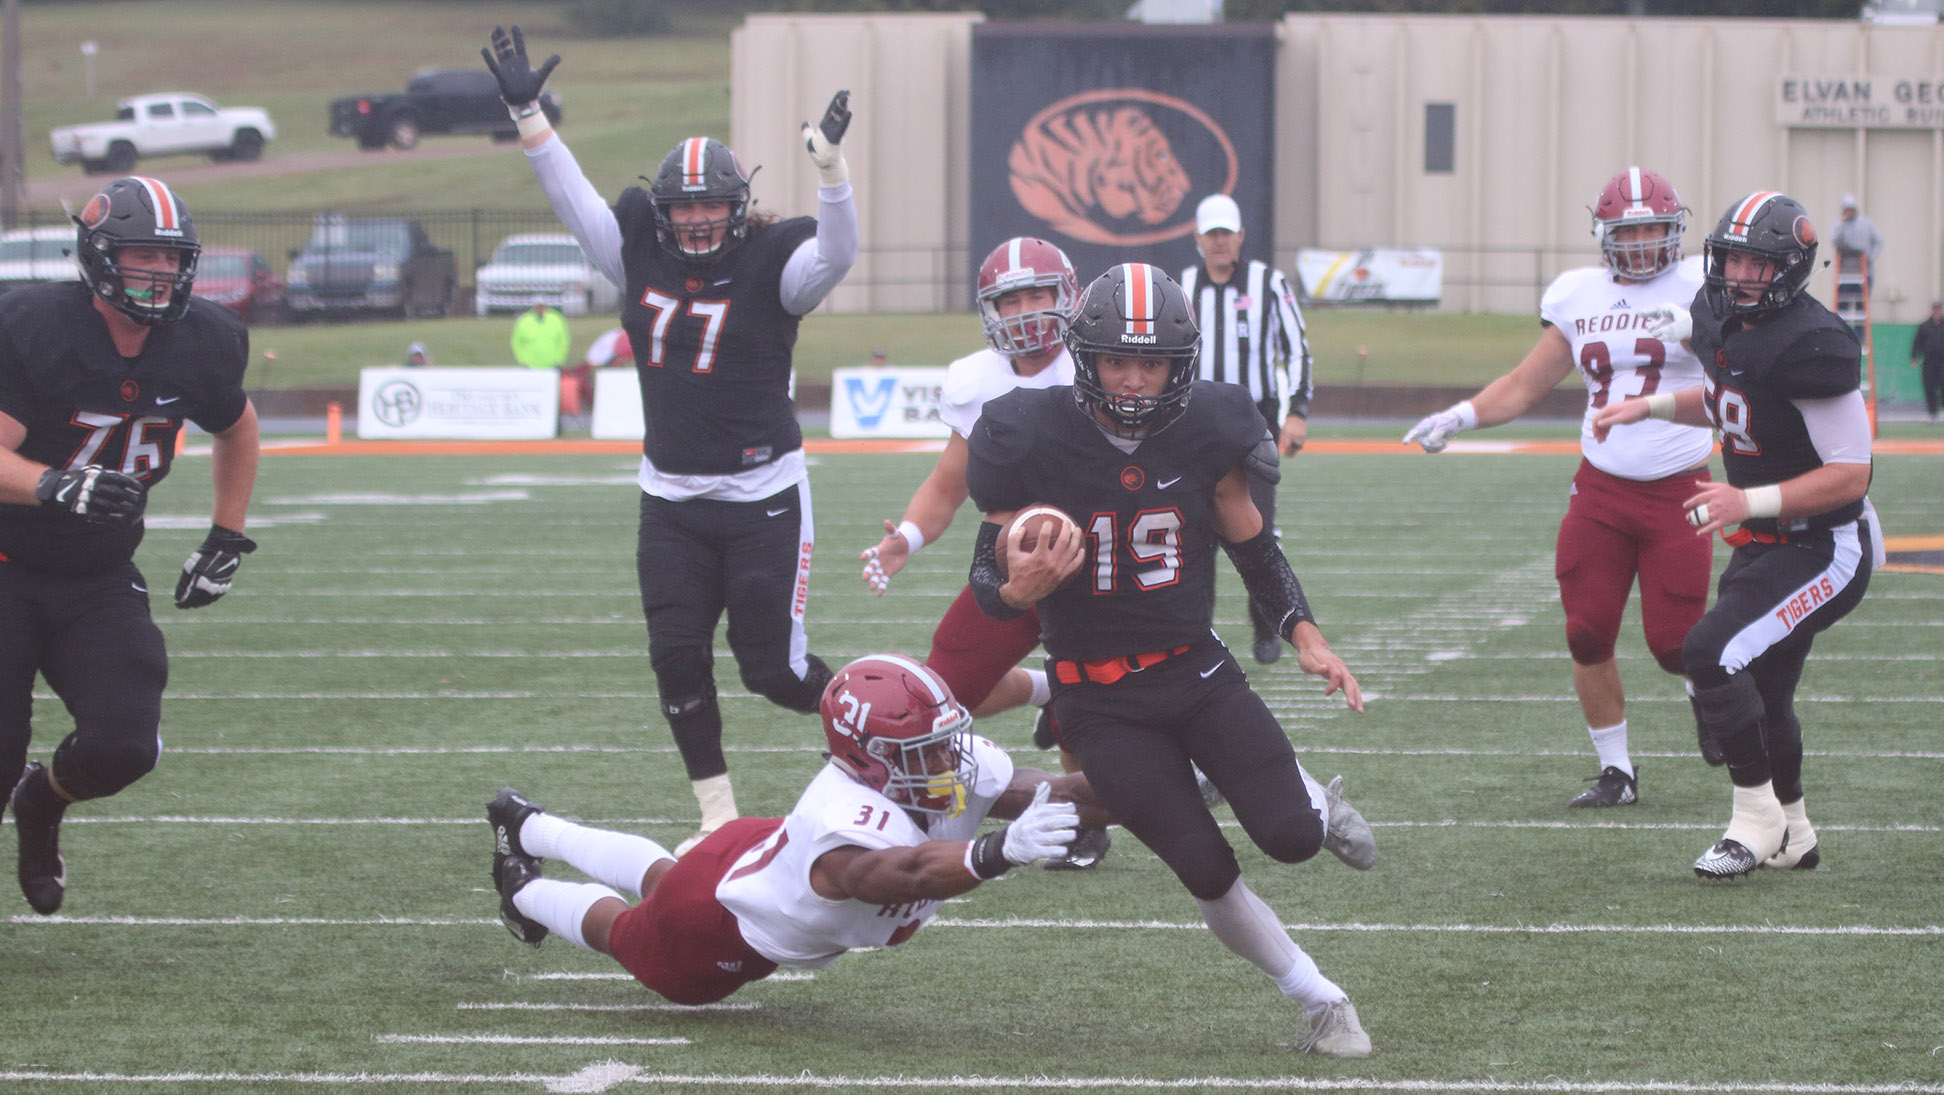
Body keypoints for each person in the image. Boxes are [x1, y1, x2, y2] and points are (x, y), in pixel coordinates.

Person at [964, 263, 1379, 1057]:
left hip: (1195, 669)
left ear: (1179, 363)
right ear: (1084, 356)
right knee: (1203, 864)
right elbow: (988, 584)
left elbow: (1254, 543)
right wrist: (1018, 591)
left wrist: (1304, 632)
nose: (1131, 378)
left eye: (1149, 362)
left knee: (1290, 837)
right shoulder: (1027, 431)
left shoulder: (1212, 422)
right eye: (1116, 359)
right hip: (1097, 699)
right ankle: (1323, 998)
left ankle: (1309, 803)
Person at [482, 26, 857, 853]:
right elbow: (571, 197)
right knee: (675, 652)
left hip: (763, 497)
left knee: (774, 672)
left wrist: (830, 168)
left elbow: (837, 255)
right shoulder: (636, 251)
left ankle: (881, 735)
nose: (693, 219)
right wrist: (528, 114)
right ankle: (717, 814)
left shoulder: (774, 262)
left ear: (736, 206)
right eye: (681, 205)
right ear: (663, 210)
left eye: (709, 205)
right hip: (672, 499)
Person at [486, 654, 1096, 1006]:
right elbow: (889, 874)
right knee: (631, 931)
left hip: (753, 853)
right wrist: (995, 852)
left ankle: (530, 824)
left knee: (665, 879)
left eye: (944, 742)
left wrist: (1173, 782)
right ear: (868, 757)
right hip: (722, 923)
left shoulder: (922, 771)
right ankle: (521, 890)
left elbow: (1057, 794)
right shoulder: (844, 819)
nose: (947, 762)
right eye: (923, 750)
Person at [1402, 167, 1716, 807]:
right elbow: (1524, 384)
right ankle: (1617, 772)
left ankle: (1710, 699)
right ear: (1604, 234)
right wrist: (1460, 416)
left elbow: (1734, 390)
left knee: (1677, 645)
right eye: (1629, 230)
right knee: (1585, 630)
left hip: (1679, 489)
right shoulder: (1578, 294)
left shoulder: (1704, 290)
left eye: (1654, 227)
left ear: (1676, 228)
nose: (1643, 242)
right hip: (1600, 490)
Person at [1594, 191, 1875, 880]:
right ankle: (1797, 833)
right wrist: (1652, 405)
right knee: (1766, 694)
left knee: (1710, 652)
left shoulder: (1813, 344)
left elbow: (1850, 474)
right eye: (1734, 259)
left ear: (1791, 266)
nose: (1742, 275)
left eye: (1759, 262)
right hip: (1768, 541)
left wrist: (1747, 498)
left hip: (1826, 545)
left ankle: (1754, 819)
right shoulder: (1717, 318)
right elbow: (1729, 400)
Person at [0, 175, 262, 914]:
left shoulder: (204, 340)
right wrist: (57, 484)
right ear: (99, 255)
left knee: (124, 745)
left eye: (172, 258)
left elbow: (236, 426)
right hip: (5, 562)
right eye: (143, 255)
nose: (161, 272)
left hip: (95, 572)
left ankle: (42, 800)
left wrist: (226, 533)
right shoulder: (33, 327)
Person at [858, 236, 1108, 868]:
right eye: (1011, 298)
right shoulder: (974, 380)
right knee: (941, 692)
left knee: (1096, 708)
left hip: (1104, 560)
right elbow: (948, 482)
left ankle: (1082, 821)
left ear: (1068, 296)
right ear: (989, 310)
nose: (1025, 311)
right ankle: (1042, 691)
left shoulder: (1102, 363)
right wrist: (905, 539)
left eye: (1037, 294)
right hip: (1013, 559)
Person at [1177, 194, 1315, 665]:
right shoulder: (1185, 285)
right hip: (1193, 422)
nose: (1219, 242)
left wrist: (1296, 410)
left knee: (1259, 528)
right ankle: (1196, 634)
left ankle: (1268, 626)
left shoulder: (1268, 283)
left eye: (1225, 233)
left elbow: (1296, 349)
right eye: (1210, 234)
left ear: (1239, 237)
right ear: (1198, 238)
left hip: (1254, 419)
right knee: (1194, 531)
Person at [1910, 299, 1944, 422]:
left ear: (1942, 310)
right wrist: (1914, 357)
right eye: (1935, 309)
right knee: (1929, 386)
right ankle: (1932, 412)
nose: (1937, 311)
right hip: (1929, 361)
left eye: (1939, 309)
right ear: (1932, 310)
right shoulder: (1924, 326)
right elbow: (1917, 342)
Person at [1832, 194, 1883, 300]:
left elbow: (1878, 242)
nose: (1849, 212)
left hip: (1865, 271)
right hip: (1845, 273)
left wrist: (1870, 258)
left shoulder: (1867, 224)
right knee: (1843, 302)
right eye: (1847, 210)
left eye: (1851, 209)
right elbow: (1836, 242)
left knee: (1862, 302)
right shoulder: (1838, 226)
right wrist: (1842, 226)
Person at [510, 301, 570, 370]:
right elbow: (516, 342)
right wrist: (522, 360)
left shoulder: (556, 320)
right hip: (529, 367)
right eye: (537, 306)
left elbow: (563, 341)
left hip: (552, 366)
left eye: (542, 306)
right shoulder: (523, 321)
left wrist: (559, 360)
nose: (540, 309)